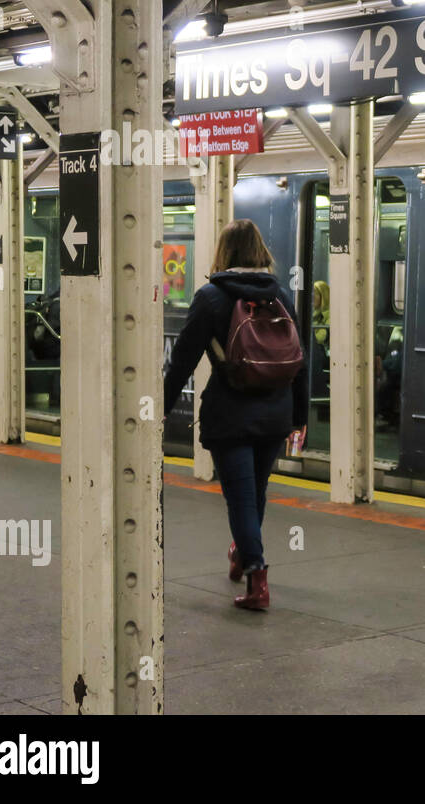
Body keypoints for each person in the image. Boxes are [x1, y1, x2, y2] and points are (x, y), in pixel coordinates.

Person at [164, 219, 308, 611]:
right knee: (255, 494)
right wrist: (299, 417)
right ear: (260, 251)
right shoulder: (280, 295)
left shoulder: (211, 297)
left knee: (241, 498)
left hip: (231, 413)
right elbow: (300, 360)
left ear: (224, 253)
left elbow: (182, 361)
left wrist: (158, 410)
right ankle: (244, 553)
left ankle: (257, 576)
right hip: (275, 413)